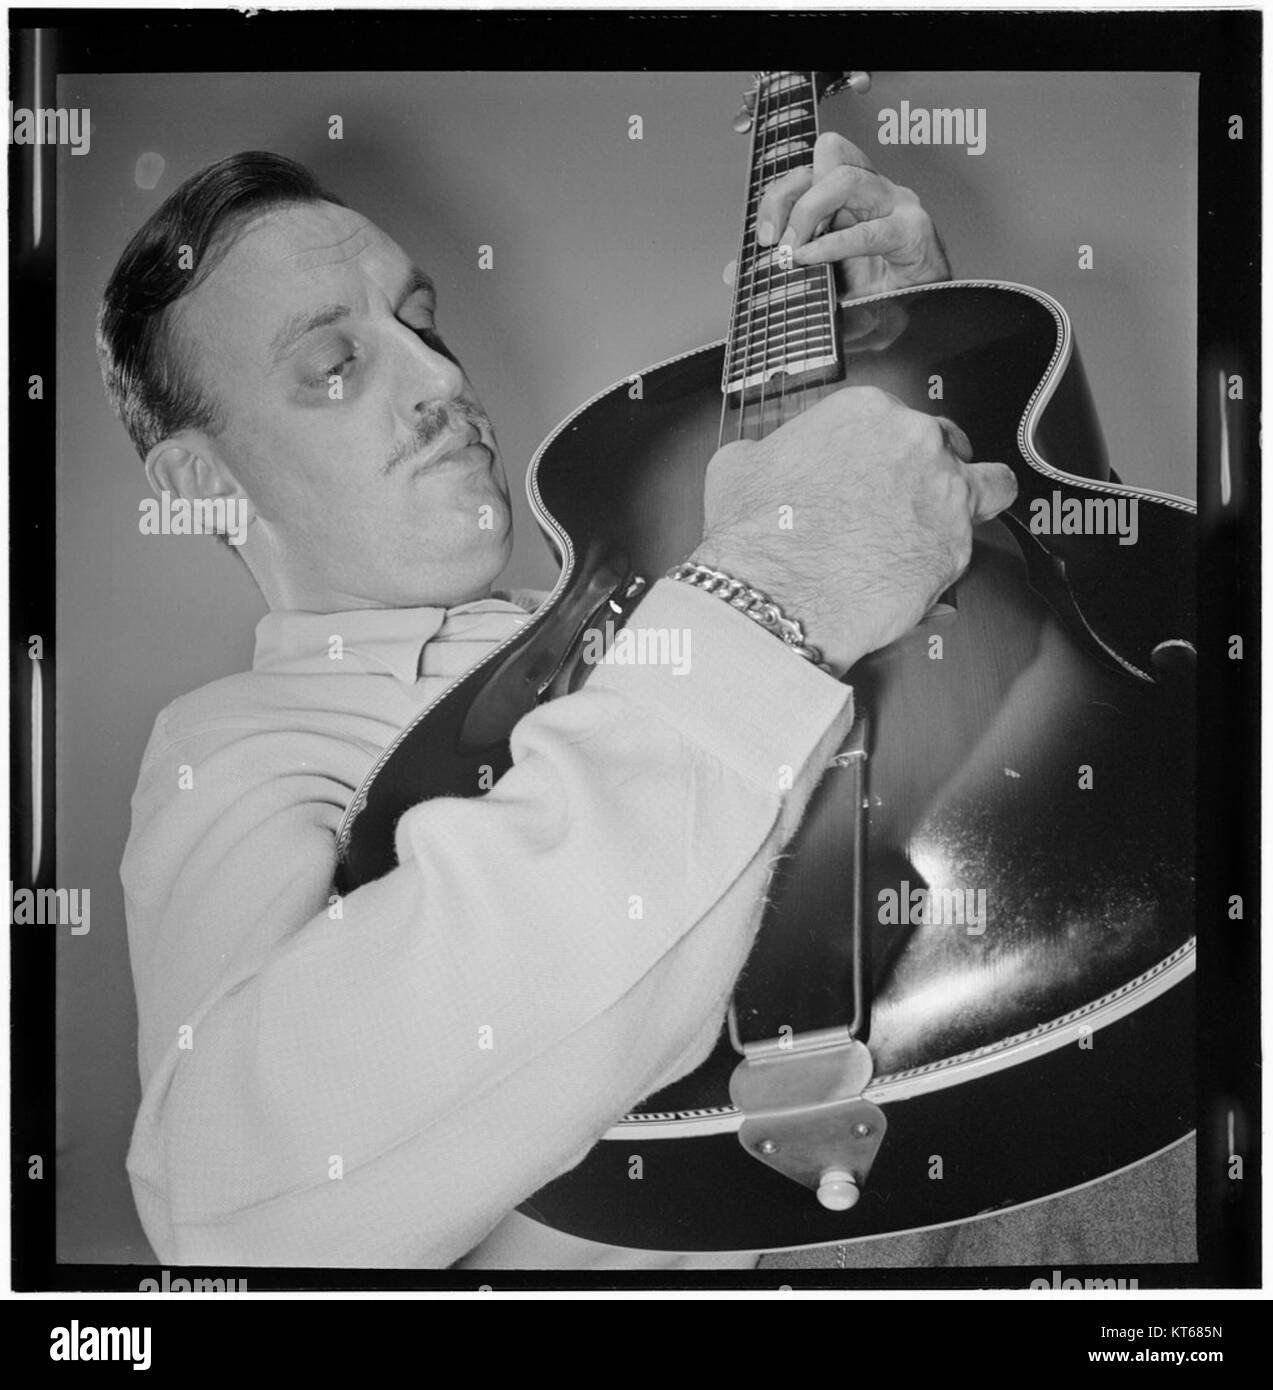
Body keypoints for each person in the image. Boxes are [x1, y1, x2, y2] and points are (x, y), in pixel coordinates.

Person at [99, 131, 1016, 1270]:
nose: (442, 380)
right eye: (335, 364)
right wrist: (773, 595)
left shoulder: (653, 599)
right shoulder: (231, 744)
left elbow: (998, 754)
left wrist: (911, 360)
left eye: (420, 322)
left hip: (1027, 1090)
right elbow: (227, 1194)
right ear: (201, 485)